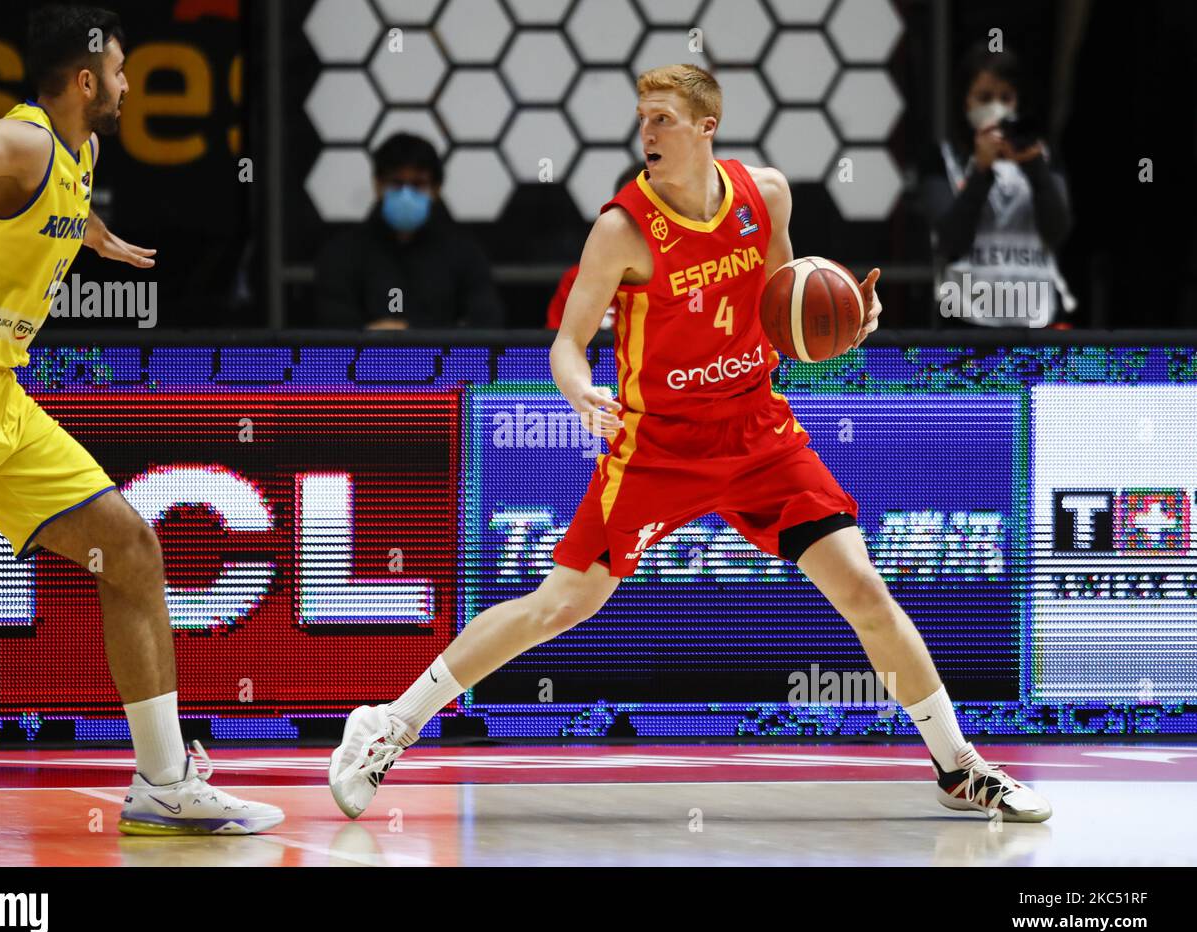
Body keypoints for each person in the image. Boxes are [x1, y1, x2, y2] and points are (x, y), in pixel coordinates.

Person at [329, 65, 1052, 824]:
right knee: (560, 605)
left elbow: (784, 315)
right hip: (658, 448)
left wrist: (846, 328)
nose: (648, 132)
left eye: (664, 118)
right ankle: (387, 725)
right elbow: (567, 344)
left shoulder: (765, 196)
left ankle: (959, 766)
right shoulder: (622, 230)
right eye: (643, 118)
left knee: (863, 589)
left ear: (708, 126)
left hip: (755, 432)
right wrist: (579, 390)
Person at [0, 5, 282, 835]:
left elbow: (50, 210)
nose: (128, 84)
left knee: (134, 553)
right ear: (85, 78)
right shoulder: (23, 140)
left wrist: (92, 232)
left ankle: (162, 781)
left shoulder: (80, 156)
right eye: (119, 71)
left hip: (0, 398)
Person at [921, 43, 1075, 328]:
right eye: (985, 97)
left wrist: (1034, 169)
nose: (997, 107)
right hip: (966, 325)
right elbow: (950, 240)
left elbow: (1058, 230)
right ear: (965, 101)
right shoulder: (943, 159)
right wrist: (981, 171)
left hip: (1035, 325)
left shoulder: (1043, 156)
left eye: (1006, 97)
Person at [314, 133, 503, 330]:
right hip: (367, 360)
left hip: (441, 360)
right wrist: (369, 338)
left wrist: (412, 333)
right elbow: (332, 329)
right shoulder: (343, 253)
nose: (406, 194)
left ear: (436, 189)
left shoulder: (464, 252)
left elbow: (486, 323)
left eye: (418, 184)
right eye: (396, 183)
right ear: (378, 185)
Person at [546, 161, 648, 331]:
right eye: (627, 209)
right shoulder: (579, 280)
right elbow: (556, 350)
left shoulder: (691, 279)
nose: (637, 219)